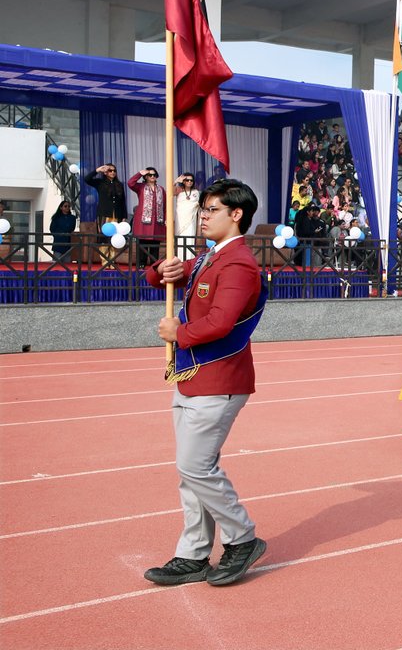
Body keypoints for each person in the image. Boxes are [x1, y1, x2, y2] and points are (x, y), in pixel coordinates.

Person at [143, 178, 268, 587]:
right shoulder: (208, 258)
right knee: (191, 471)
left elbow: (220, 322)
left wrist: (177, 333)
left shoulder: (238, 264)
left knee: (194, 465)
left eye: (212, 209)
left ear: (237, 215)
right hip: (191, 376)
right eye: (203, 209)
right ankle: (193, 555)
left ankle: (242, 537)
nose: (203, 215)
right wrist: (160, 271)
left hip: (219, 379)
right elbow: (169, 281)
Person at [128, 167, 167, 265]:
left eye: (154, 175)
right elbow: (130, 183)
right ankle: (141, 263)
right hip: (143, 220)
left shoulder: (161, 189)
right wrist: (139, 173)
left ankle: (154, 264)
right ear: (146, 177)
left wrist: (166, 219)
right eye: (150, 175)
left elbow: (165, 205)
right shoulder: (141, 187)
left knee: (155, 243)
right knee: (143, 243)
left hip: (157, 221)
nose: (152, 176)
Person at [83, 161, 127, 229]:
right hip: (104, 213)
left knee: (116, 234)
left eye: (114, 171)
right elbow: (87, 179)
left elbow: (123, 201)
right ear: (105, 172)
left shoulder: (119, 184)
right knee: (104, 235)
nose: (113, 172)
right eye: (110, 170)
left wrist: (124, 216)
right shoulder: (100, 182)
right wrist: (97, 170)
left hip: (118, 215)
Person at [175, 172, 201, 252]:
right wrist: (176, 182)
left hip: (191, 220)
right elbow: (170, 193)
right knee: (180, 240)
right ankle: (180, 261)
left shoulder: (196, 192)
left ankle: (189, 260)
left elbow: (198, 206)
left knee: (190, 238)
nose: (189, 182)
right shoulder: (179, 190)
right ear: (183, 181)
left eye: (191, 180)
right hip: (180, 219)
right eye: (187, 180)